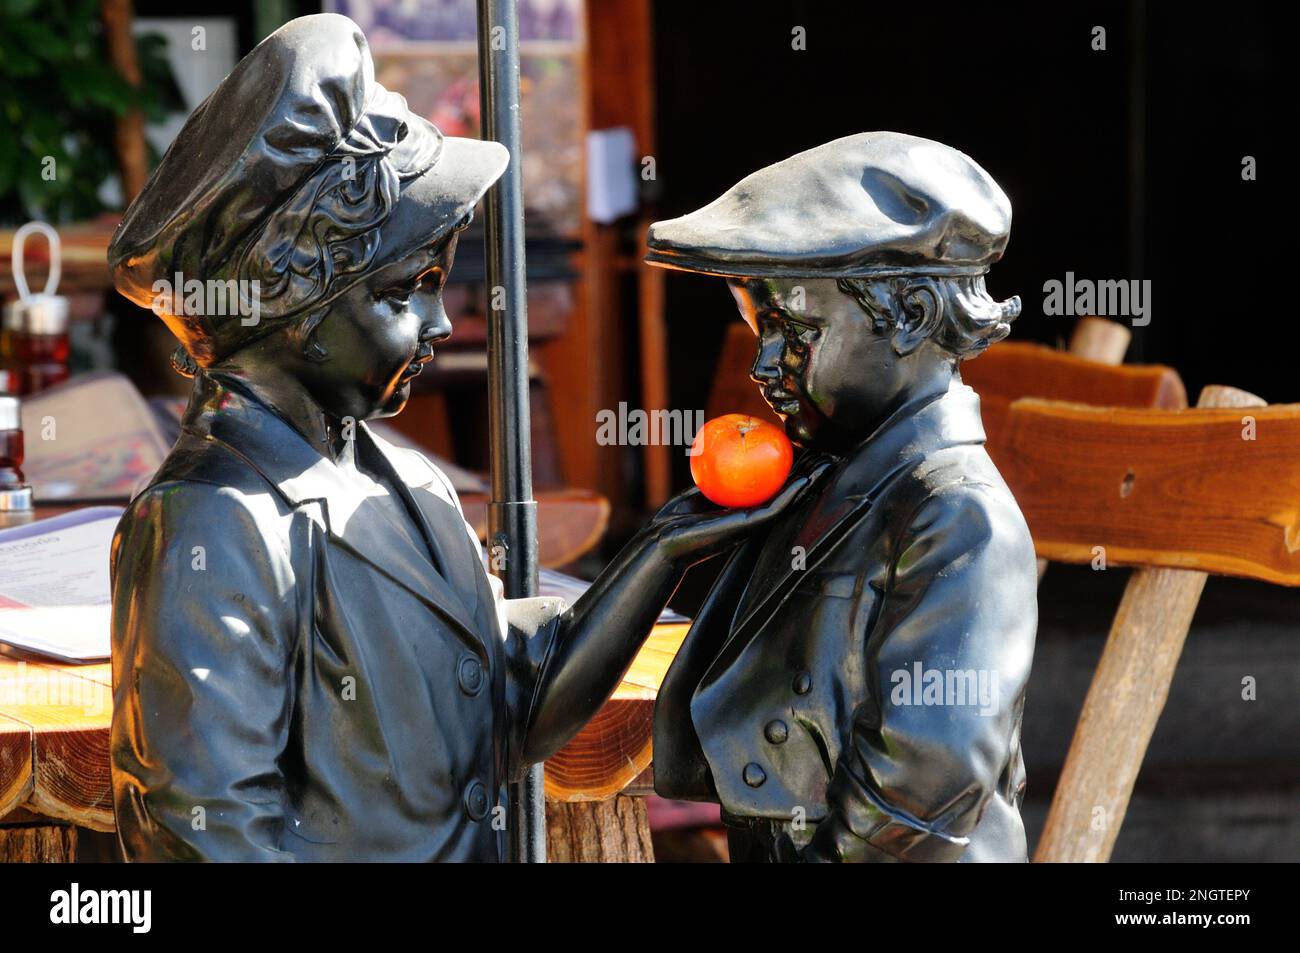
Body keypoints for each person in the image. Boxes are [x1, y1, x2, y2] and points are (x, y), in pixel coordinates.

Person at [105, 14, 812, 862]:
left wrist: (661, 549)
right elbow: (202, 833)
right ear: (299, 306)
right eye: (413, 287)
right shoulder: (215, 521)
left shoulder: (410, 485)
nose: (443, 320)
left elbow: (504, 699)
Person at [645, 132, 1039, 862]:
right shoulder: (827, 473)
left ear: (914, 316)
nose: (763, 363)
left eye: (793, 331)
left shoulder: (958, 517)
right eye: (757, 327)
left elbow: (917, 795)